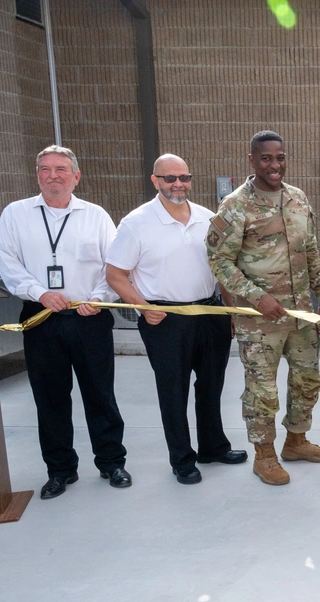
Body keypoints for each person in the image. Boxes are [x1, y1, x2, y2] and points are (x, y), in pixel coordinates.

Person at [0, 145, 131, 499]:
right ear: (37, 174)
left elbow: (113, 265)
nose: (53, 175)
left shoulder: (95, 216)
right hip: (41, 318)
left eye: (61, 169)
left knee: (100, 394)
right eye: (45, 169)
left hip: (90, 318)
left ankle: (111, 462)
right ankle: (60, 470)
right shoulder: (16, 214)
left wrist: (99, 298)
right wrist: (40, 293)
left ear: (76, 176)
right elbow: (9, 263)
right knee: (50, 397)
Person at [106, 154, 247, 485]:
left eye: (184, 177)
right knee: (173, 392)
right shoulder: (136, 223)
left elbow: (223, 270)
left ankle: (213, 447)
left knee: (211, 386)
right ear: (155, 181)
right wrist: (143, 307)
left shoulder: (208, 218)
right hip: (164, 319)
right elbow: (115, 274)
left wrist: (230, 312)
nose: (178, 184)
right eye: (169, 178)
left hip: (210, 313)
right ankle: (182, 459)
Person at [206, 131, 320, 486]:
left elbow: (310, 251)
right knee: (262, 390)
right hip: (259, 319)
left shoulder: (297, 198)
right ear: (252, 160)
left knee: (307, 380)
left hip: (300, 314)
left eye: (280, 157)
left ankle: (296, 441)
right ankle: (264, 455)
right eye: (266, 158)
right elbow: (219, 261)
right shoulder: (235, 205)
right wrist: (257, 297)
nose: (274, 165)